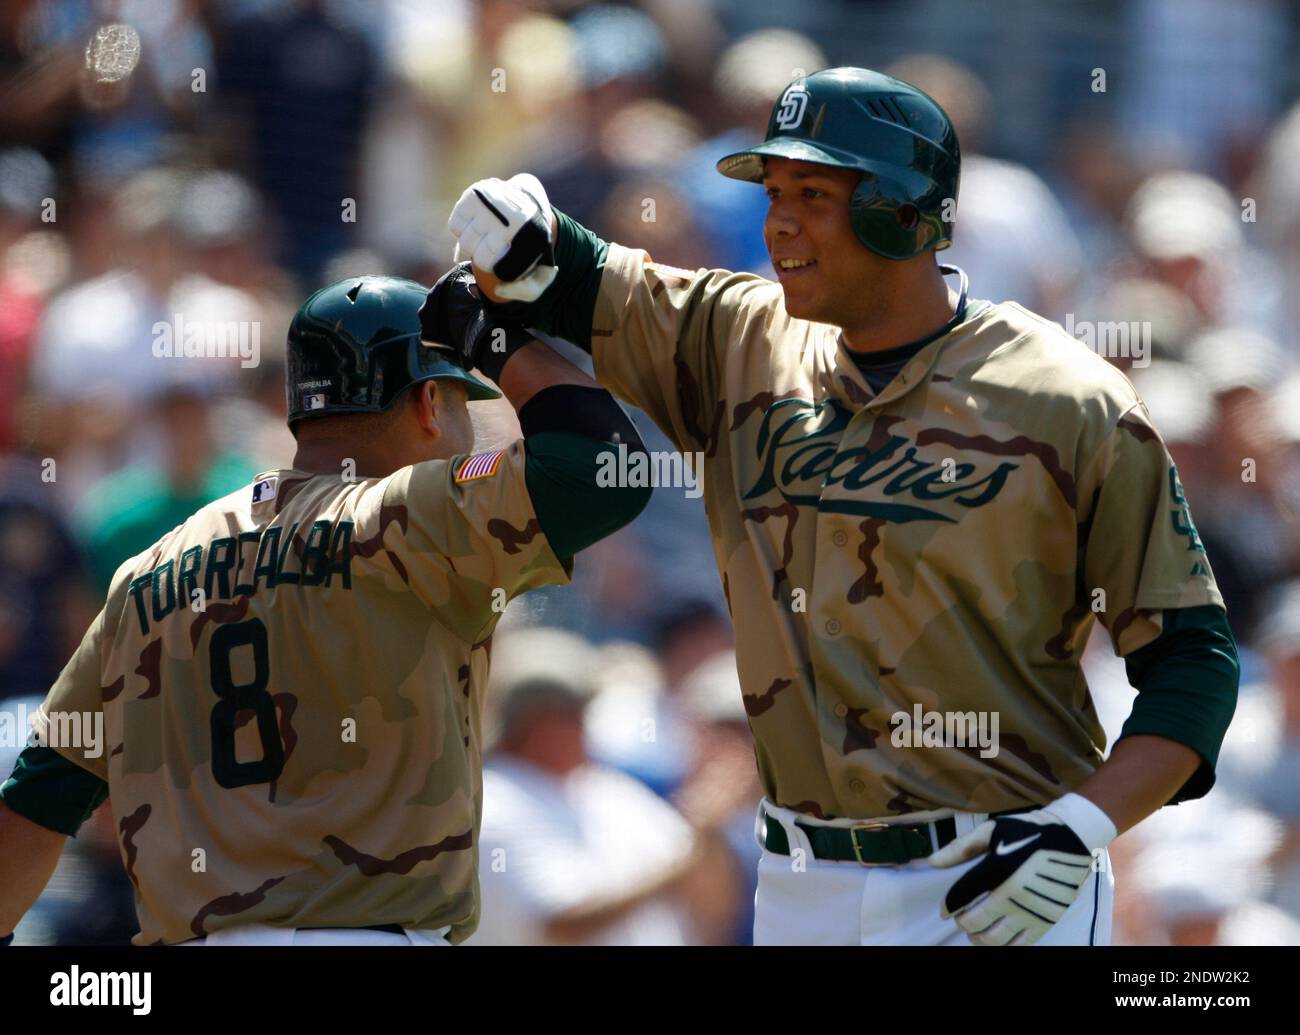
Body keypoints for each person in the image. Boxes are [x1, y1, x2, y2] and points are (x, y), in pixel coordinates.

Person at [446, 67, 1239, 946]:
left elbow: (1195, 664)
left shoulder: (1064, 396)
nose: (778, 219)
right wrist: (515, 227)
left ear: (902, 211)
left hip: (994, 878)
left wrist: (1081, 826)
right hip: (797, 884)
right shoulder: (741, 335)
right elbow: (569, 270)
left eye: (814, 193)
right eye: (775, 191)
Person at [0, 269, 651, 946]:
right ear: (429, 403)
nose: (466, 428)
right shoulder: (410, 516)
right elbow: (607, 465)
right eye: (461, 403)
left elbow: (41, 795)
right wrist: (493, 336)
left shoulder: (148, 571)